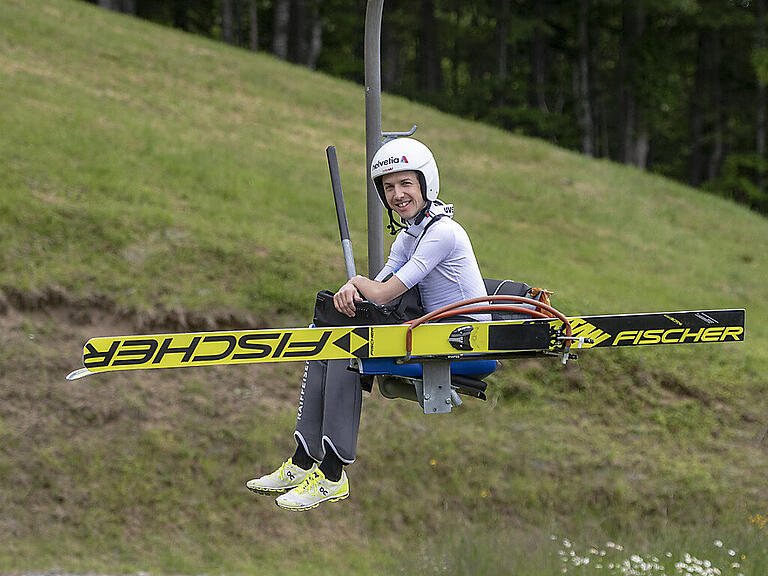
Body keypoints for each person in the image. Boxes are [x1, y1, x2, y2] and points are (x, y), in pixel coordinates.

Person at [246, 137, 489, 511]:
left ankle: (331, 475)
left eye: (406, 184)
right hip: (433, 333)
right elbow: (378, 291)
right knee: (325, 339)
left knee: (348, 347)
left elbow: (382, 291)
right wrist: (352, 287)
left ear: (426, 184)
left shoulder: (442, 232)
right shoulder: (410, 235)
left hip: (463, 341)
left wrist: (359, 284)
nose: (397, 194)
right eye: (389, 187)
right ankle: (301, 460)